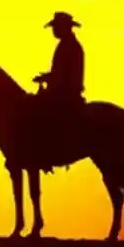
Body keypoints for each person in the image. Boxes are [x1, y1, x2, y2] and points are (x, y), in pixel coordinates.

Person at [32, 12, 86, 164]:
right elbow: (61, 72)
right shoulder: (67, 45)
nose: (54, 31)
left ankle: (44, 150)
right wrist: (47, 77)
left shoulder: (70, 47)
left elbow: (65, 75)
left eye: (56, 27)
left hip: (66, 94)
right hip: (63, 91)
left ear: (65, 28)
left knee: (37, 112)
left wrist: (48, 78)